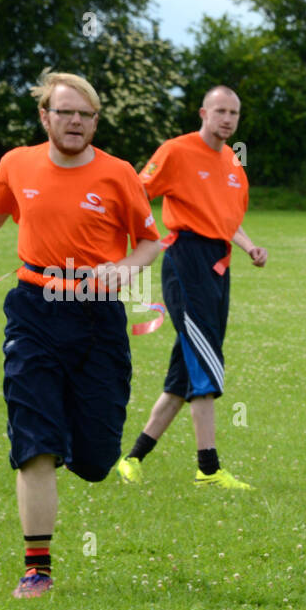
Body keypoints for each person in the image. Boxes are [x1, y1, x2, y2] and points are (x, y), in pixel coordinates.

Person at [0, 72, 162, 598]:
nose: (75, 122)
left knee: (97, 458)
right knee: (34, 441)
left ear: (95, 121)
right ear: (45, 116)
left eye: (85, 114)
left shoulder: (119, 174)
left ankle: (78, 449)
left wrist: (126, 268)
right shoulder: (17, 163)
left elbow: (152, 241)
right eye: (65, 112)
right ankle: (38, 567)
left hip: (98, 317)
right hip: (34, 311)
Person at [116, 85, 267, 490]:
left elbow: (226, 218)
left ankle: (132, 458)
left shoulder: (233, 162)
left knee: (185, 369)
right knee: (205, 359)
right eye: (220, 111)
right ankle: (208, 469)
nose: (228, 119)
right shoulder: (176, 152)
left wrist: (249, 245)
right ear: (203, 112)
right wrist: (131, 247)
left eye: (234, 113)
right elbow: (134, 194)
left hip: (219, 264)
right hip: (185, 259)